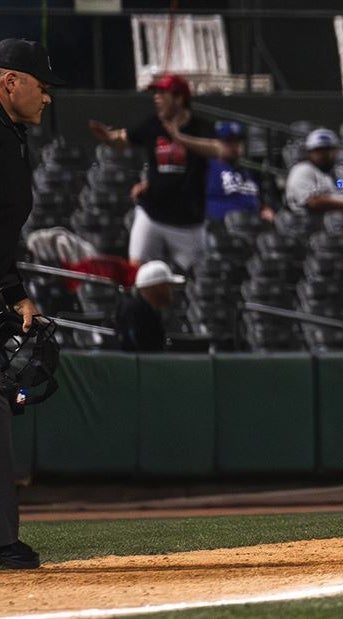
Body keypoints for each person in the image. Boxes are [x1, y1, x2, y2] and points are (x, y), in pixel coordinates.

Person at [0, 37, 64, 570]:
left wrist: (13, 293)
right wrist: (12, 291)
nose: (47, 98)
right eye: (41, 87)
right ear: (10, 81)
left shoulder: (11, 136)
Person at [87, 73, 213, 271]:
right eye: (155, 93)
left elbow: (217, 150)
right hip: (152, 214)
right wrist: (108, 137)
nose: (156, 98)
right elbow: (123, 139)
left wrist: (181, 138)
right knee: (137, 272)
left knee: (193, 279)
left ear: (180, 98)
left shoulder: (201, 128)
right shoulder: (153, 124)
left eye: (163, 94)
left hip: (187, 223)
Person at [165, 120, 273, 224]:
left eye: (238, 141)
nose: (235, 146)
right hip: (220, 229)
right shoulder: (206, 167)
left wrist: (264, 210)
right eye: (228, 142)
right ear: (215, 144)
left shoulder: (247, 172)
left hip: (252, 226)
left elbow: (256, 201)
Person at [284, 128, 343, 219]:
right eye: (318, 150)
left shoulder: (336, 175)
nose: (323, 155)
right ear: (310, 152)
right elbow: (313, 202)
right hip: (306, 222)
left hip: (339, 221)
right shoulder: (302, 170)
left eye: (328, 150)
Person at [114, 260, 184, 352]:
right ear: (158, 287)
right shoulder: (137, 312)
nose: (172, 292)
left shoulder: (146, 310)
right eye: (169, 286)